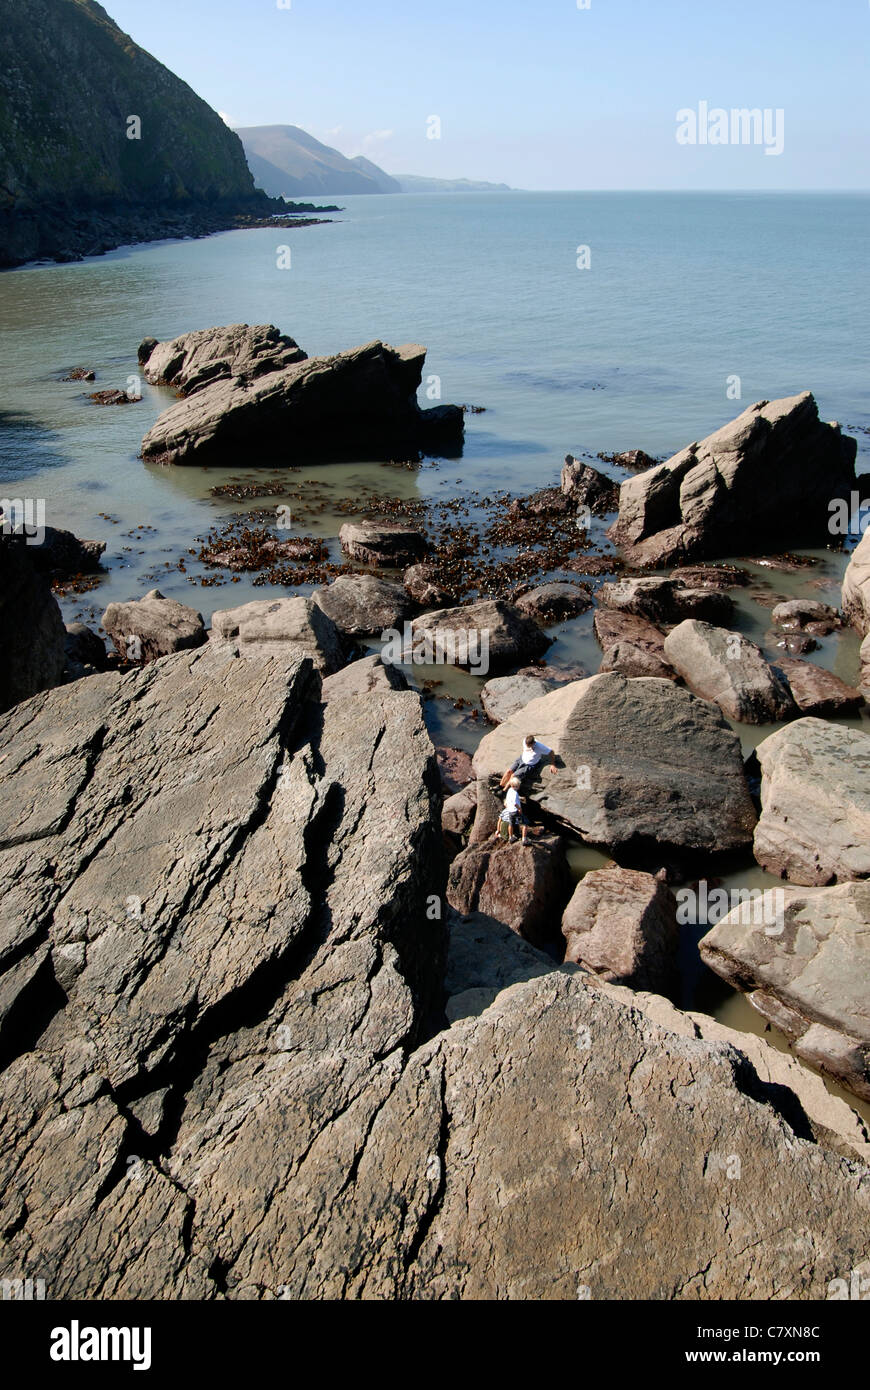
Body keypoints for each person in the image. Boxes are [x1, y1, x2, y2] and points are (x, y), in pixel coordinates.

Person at [498, 776, 529, 845]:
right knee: (525, 824)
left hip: (510, 811)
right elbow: (515, 803)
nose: (519, 787)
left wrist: (520, 798)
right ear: (517, 786)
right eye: (518, 786)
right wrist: (519, 809)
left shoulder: (510, 790)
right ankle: (524, 839)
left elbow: (510, 799)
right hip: (516, 811)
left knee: (511, 824)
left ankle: (511, 837)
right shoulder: (515, 793)